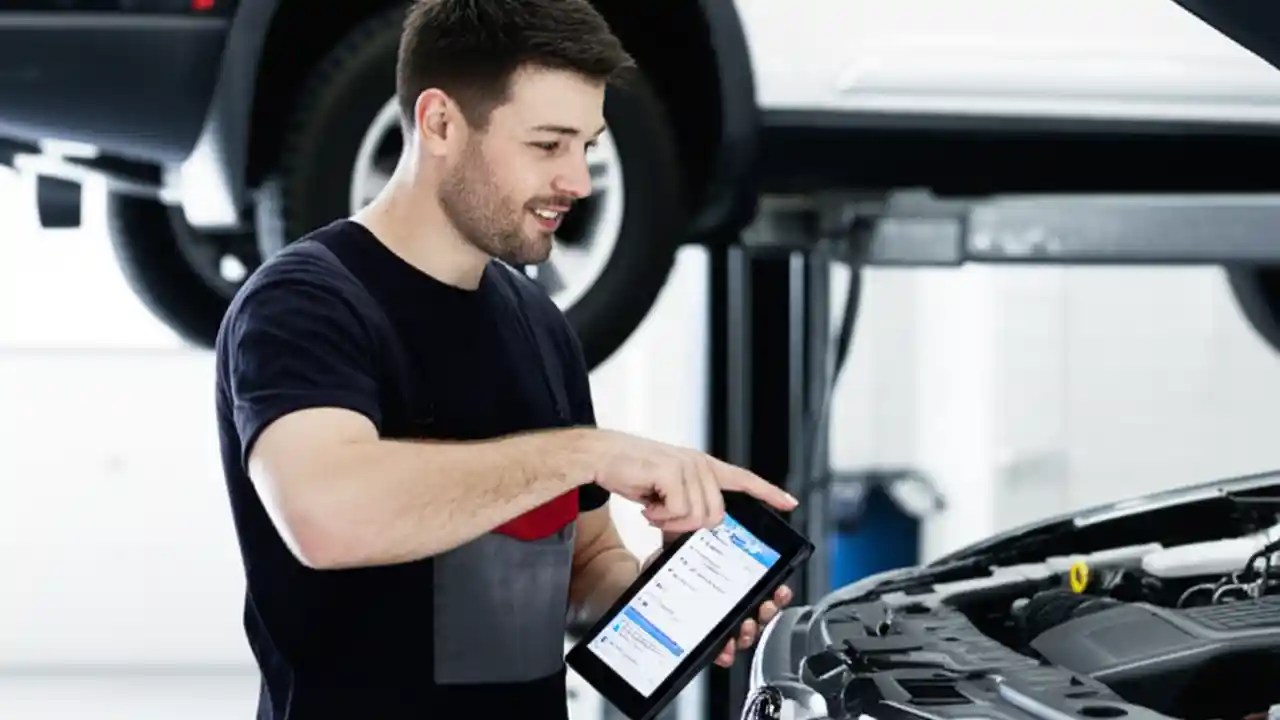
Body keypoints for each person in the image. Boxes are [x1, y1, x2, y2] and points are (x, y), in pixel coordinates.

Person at [213, 1, 798, 718]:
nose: (580, 182)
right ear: (440, 123)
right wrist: (586, 454)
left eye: (587, 146)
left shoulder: (538, 325)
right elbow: (326, 515)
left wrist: (666, 597)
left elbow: (583, 570)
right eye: (549, 145)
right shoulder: (307, 302)